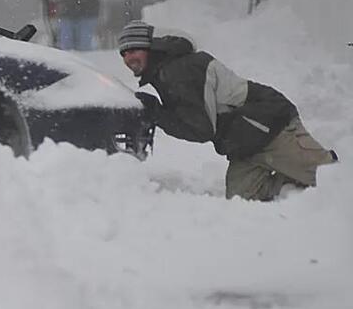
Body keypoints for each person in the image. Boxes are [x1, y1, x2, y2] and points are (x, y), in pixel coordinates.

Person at [117, 20, 337, 201]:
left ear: (150, 48)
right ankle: (300, 186)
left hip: (272, 128)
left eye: (134, 50)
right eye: (124, 54)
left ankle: (312, 169)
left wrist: (156, 112)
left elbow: (201, 129)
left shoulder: (181, 69)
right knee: (243, 197)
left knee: (332, 180)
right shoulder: (165, 72)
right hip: (246, 145)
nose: (128, 59)